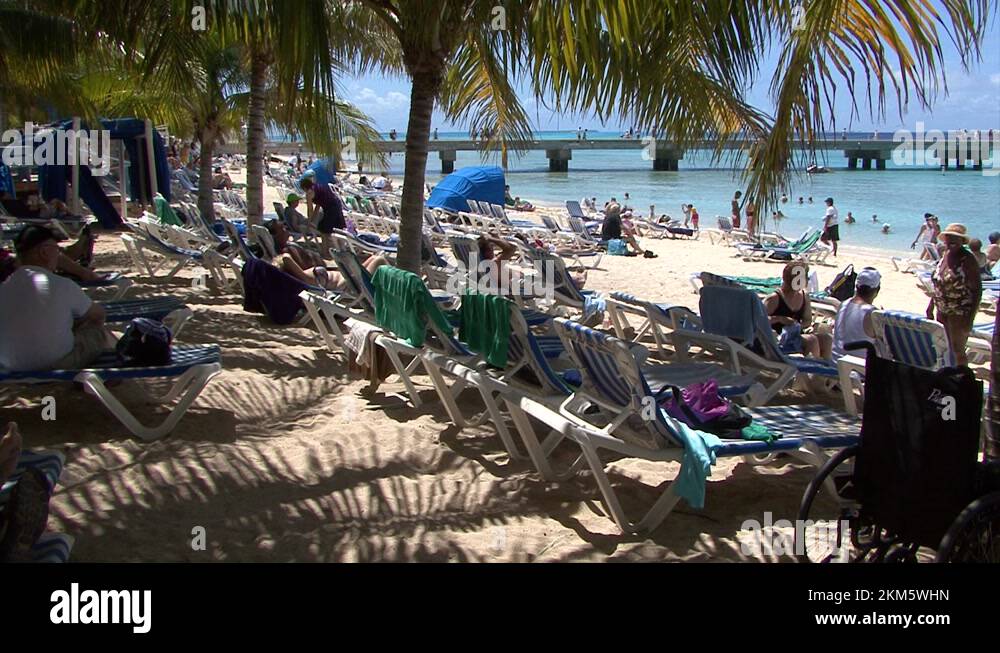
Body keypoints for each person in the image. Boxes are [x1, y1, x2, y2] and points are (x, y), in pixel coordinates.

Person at [0, 226, 113, 371]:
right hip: (54, 365)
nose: (58, 254)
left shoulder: (5, 286)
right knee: (96, 331)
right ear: (44, 252)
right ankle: (111, 376)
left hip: (10, 366)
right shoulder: (61, 284)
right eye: (57, 249)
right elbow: (99, 315)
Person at [926, 223, 982, 366]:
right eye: (949, 237)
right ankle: (947, 376)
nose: (951, 241)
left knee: (957, 350)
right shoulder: (945, 255)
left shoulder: (968, 259)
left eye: (955, 238)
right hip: (941, 309)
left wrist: (970, 319)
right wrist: (930, 305)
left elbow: (977, 291)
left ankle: (962, 380)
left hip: (959, 312)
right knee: (942, 347)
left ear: (962, 241)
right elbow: (938, 284)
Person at [764, 261, 832, 359]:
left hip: (795, 334)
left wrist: (797, 325)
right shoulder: (775, 298)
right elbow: (759, 320)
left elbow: (807, 320)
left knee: (826, 339)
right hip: (776, 338)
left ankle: (825, 369)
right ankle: (811, 370)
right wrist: (781, 319)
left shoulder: (804, 296)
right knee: (811, 340)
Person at [832, 267, 881, 360]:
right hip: (857, 370)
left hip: (835, 362)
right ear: (876, 291)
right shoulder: (872, 314)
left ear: (856, 288)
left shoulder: (843, 305)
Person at [299, 176, 346, 255]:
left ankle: (325, 252)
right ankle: (342, 250)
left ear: (304, 187)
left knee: (324, 231)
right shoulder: (318, 187)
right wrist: (312, 220)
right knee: (338, 229)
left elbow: (310, 209)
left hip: (331, 208)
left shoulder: (309, 193)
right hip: (336, 205)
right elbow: (317, 206)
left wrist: (309, 221)